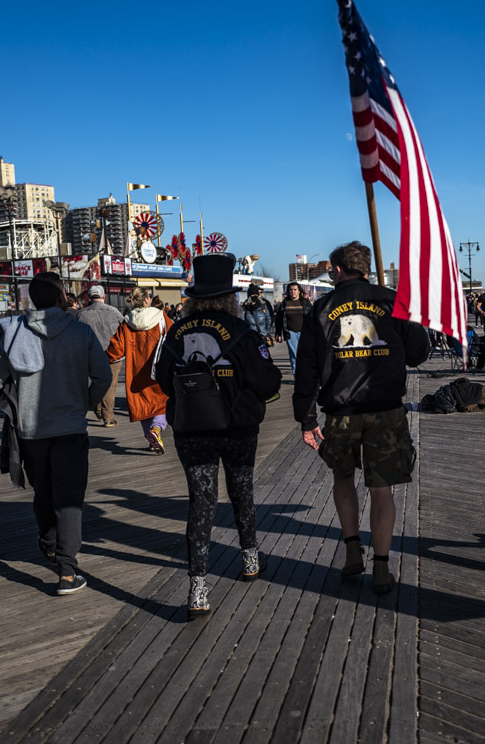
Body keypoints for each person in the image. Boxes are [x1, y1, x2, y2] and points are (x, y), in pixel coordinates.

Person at [294, 241, 429, 594]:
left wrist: (307, 419)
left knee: (343, 480)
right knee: (382, 490)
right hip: (386, 410)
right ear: (366, 267)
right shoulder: (393, 301)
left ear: (338, 270)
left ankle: (353, 551)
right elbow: (418, 354)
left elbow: (306, 370)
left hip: (341, 412)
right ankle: (381, 568)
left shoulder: (321, 307)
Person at [155, 254, 282, 619]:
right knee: (241, 490)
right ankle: (250, 559)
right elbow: (267, 381)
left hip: (192, 429)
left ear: (194, 296)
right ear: (231, 296)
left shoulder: (177, 332)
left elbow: (164, 381)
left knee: (201, 501)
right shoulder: (242, 332)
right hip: (238, 426)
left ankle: (197, 589)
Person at [0, 271, 111, 596]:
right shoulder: (81, 333)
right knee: (69, 498)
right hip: (70, 428)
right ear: (61, 298)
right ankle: (67, 571)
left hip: (30, 430)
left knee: (42, 491)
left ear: (32, 299)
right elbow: (103, 376)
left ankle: (49, 541)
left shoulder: (13, 332)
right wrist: (85, 403)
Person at [106, 287, 172, 454]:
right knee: (162, 403)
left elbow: (116, 348)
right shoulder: (161, 317)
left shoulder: (127, 322)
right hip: (158, 369)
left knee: (143, 406)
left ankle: (150, 439)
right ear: (146, 301)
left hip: (136, 372)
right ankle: (156, 430)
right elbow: (174, 337)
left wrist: (104, 360)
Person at [76, 284, 124, 428]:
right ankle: (108, 417)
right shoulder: (115, 312)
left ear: (90, 297)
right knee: (110, 385)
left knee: (96, 382)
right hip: (113, 355)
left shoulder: (82, 314)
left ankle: (97, 409)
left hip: (91, 355)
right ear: (103, 296)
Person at [274, 281, 313, 374]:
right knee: (295, 356)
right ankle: (298, 379)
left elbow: (312, 318)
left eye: (295, 290)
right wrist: (278, 333)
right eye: (291, 290)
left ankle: (306, 376)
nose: (293, 292)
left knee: (306, 356)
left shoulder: (306, 303)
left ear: (299, 291)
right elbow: (278, 320)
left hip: (305, 333)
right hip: (290, 333)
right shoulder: (284, 304)